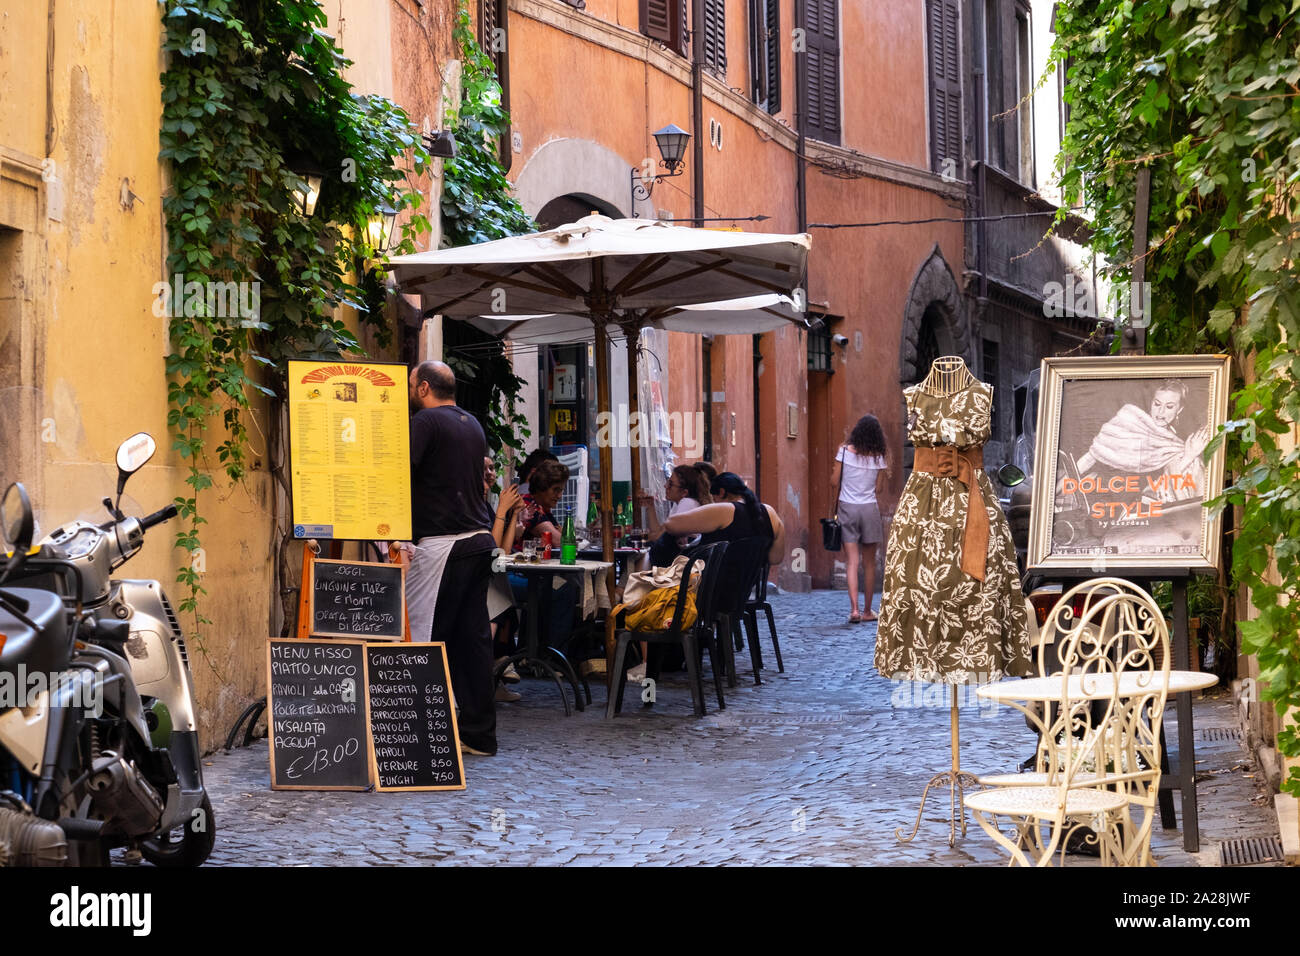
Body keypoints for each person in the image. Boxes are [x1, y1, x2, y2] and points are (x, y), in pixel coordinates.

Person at [406, 361, 499, 756]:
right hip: (479, 539)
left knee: (424, 636)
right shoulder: (472, 424)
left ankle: (425, 737)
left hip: (445, 544)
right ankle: (478, 734)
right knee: (472, 641)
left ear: (424, 388)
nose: (410, 392)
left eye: (411, 385)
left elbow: (401, 475)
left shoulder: (426, 424)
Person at [508, 460, 585, 662]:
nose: (559, 496)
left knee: (564, 584)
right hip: (509, 576)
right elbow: (562, 539)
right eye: (555, 490)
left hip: (525, 573)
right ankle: (553, 656)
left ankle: (534, 651)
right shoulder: (529, 506)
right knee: (564, 588)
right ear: (541, 488)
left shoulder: (541, 508)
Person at [831, 414, 890, 623]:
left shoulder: (844, 452)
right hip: (869, 509)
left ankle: (854, 610)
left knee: (852, 562)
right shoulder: (879, 457)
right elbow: (879, 489)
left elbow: (834, 481)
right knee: (870, 564)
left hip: (847, 507)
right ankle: (867, 611)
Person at [665, 471, 785, 567]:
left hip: (707, 589)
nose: (714, 502)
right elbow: (775, 558)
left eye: (714, 498)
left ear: (721, 493)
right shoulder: (770, 512)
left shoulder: (725, 510)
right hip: (743, 590)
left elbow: (670, 524)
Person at [639, 463, 712, 568]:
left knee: (641, 557)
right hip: (677, 564)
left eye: (670, 484)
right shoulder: (682, 503)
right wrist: (650, 507)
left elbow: (657, 537)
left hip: (677, 568)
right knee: (642, 557)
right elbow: (658, 533)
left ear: (684, 492)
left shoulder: (687, 503)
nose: (665, 486)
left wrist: (638, 538)